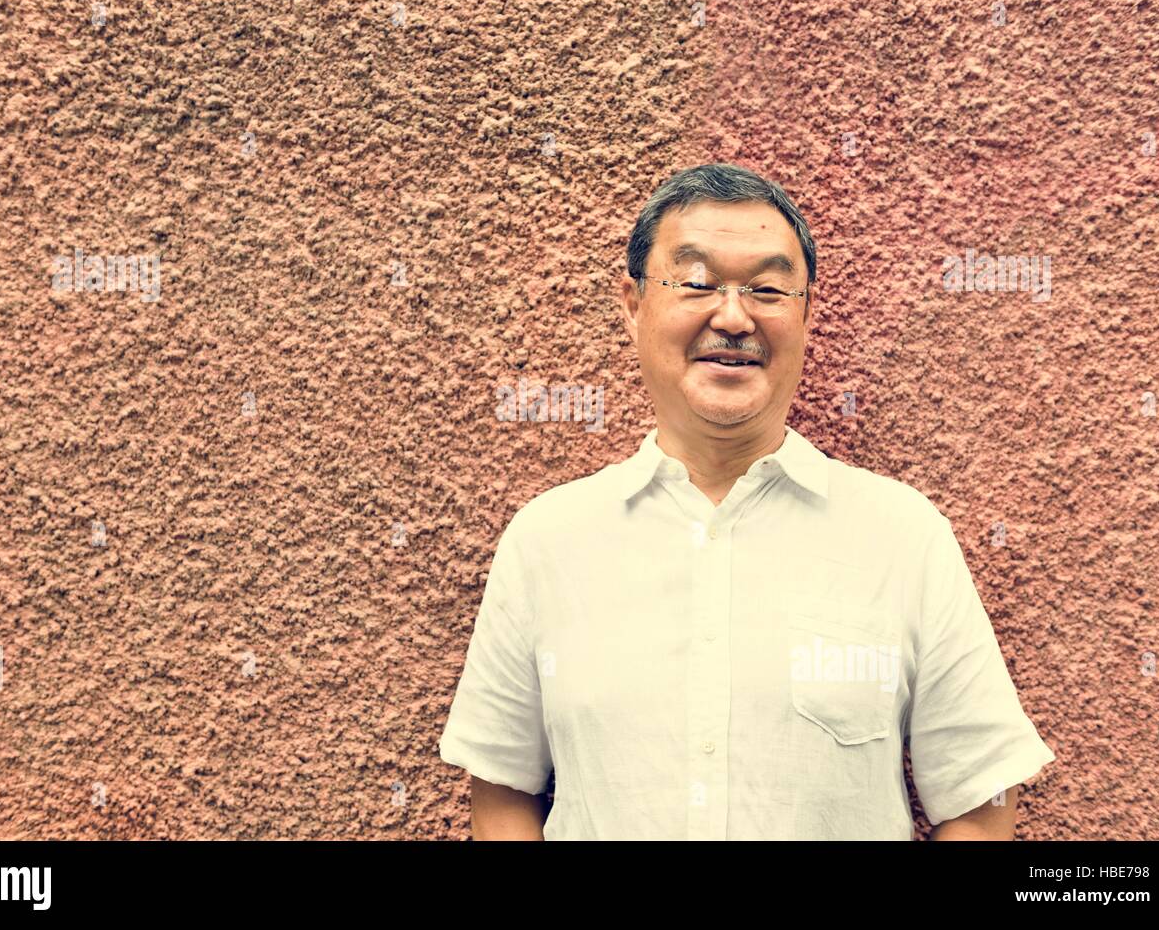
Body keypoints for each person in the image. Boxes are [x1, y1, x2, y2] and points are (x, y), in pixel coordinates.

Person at [438, 162, 1055, 839]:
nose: (733, 317)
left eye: (766, 288)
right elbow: (501, 791)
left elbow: (979, 799)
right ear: (634, 302)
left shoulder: (903, 538)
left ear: (805, 312)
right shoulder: (548, 542)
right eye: (696, 282)